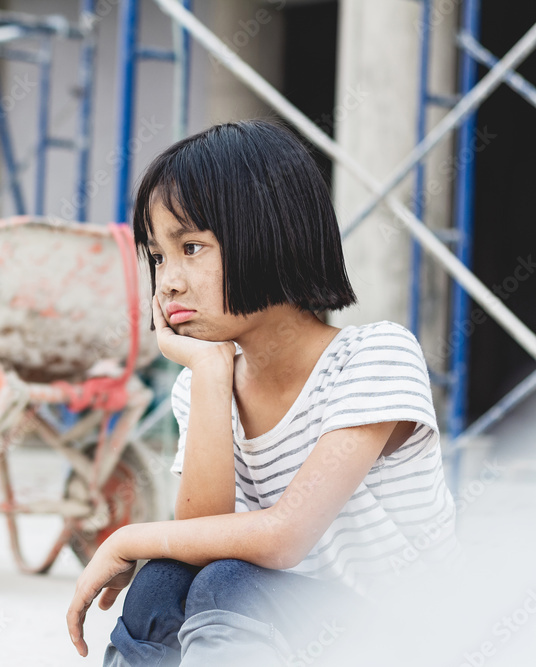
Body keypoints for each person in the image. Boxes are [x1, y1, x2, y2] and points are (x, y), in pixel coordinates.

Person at [65, 120, 460, 666]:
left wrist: (126, 538)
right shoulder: (200, 385)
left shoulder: (373, 357)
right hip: (284, 641)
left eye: (192, 246)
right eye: (158, 256)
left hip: (404, 643)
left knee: (227, 582)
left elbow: (283, 538)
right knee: (166, 578)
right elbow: (200, 537)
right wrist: (207, 371)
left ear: (272, 236)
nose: (168, 282)